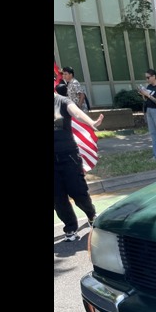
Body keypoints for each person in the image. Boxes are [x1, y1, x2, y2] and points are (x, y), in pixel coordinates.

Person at [55, 89, 105, 242]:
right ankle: (70, 227)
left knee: (78, 191)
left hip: (69, 156)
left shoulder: (62, 101)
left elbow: (76, 113)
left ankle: (91, 214)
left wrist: (91, 122)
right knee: (57, 197)